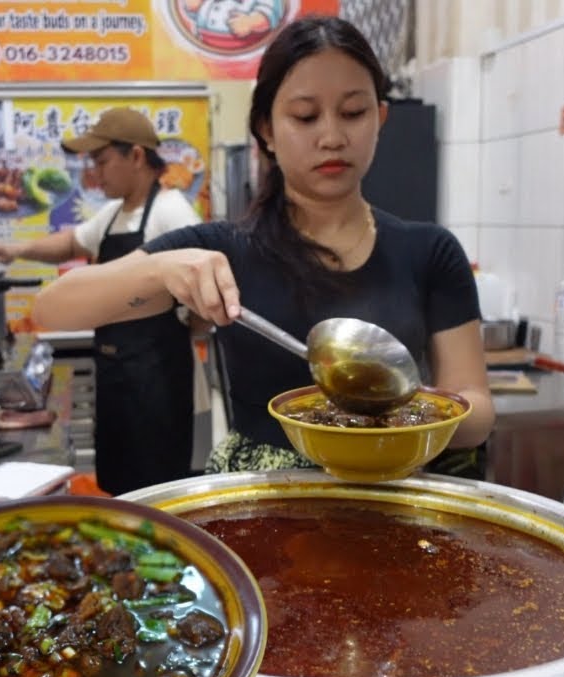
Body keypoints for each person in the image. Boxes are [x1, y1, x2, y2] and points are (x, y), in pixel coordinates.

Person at [31, 16, 495, 473]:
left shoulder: (430, 252)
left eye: (354, 112)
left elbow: (475, 406)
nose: (332, 137)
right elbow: (53, 309)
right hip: (263, 493)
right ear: (267, 130)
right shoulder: (225, 249)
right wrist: (159, 269)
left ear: (381, 118)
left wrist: (407, 412)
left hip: (393, 484)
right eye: (305, 117)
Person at [0, 108, 203, 495]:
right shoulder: (114, 213)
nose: (94, 173)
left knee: (157, 489)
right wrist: (16, 250)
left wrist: (192, 322)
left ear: (136, 156)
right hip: (115, 372)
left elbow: (201, 279)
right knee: (118, 483)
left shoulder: (171, 211)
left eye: (101, 161)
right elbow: (72, 242)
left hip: (157, 379)